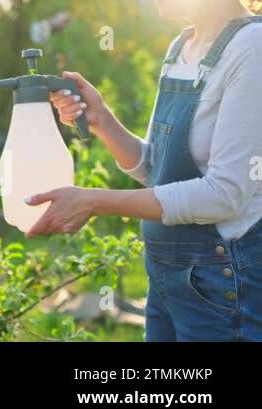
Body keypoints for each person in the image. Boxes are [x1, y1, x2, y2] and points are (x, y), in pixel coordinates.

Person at [26, 0, 262, 341]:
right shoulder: (182, 46)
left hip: (222, 288)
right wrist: (102, 120)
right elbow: (159, 170)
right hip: (167, 280)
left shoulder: (252, 47)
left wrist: (94, 201)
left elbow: (224, 196)